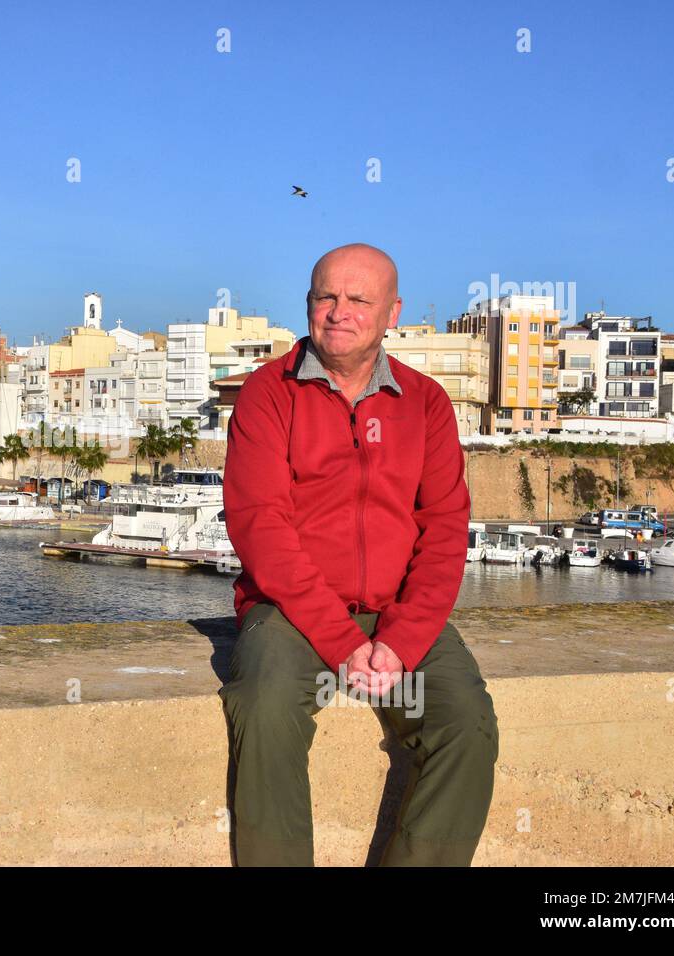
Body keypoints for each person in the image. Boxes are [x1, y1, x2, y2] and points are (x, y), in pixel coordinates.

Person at [219, 243, 499, 866]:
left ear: (391, 311)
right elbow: (260, 525)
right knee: (264, 709)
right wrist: (344, 644)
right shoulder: (268, 394)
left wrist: (399, 641)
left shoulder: (424, 403)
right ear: (309, 304)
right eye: (326, 296)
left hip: (399, 615)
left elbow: (445, 528)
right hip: (290, 613)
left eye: (358, 299)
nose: (338, 311)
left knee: (467, 726)